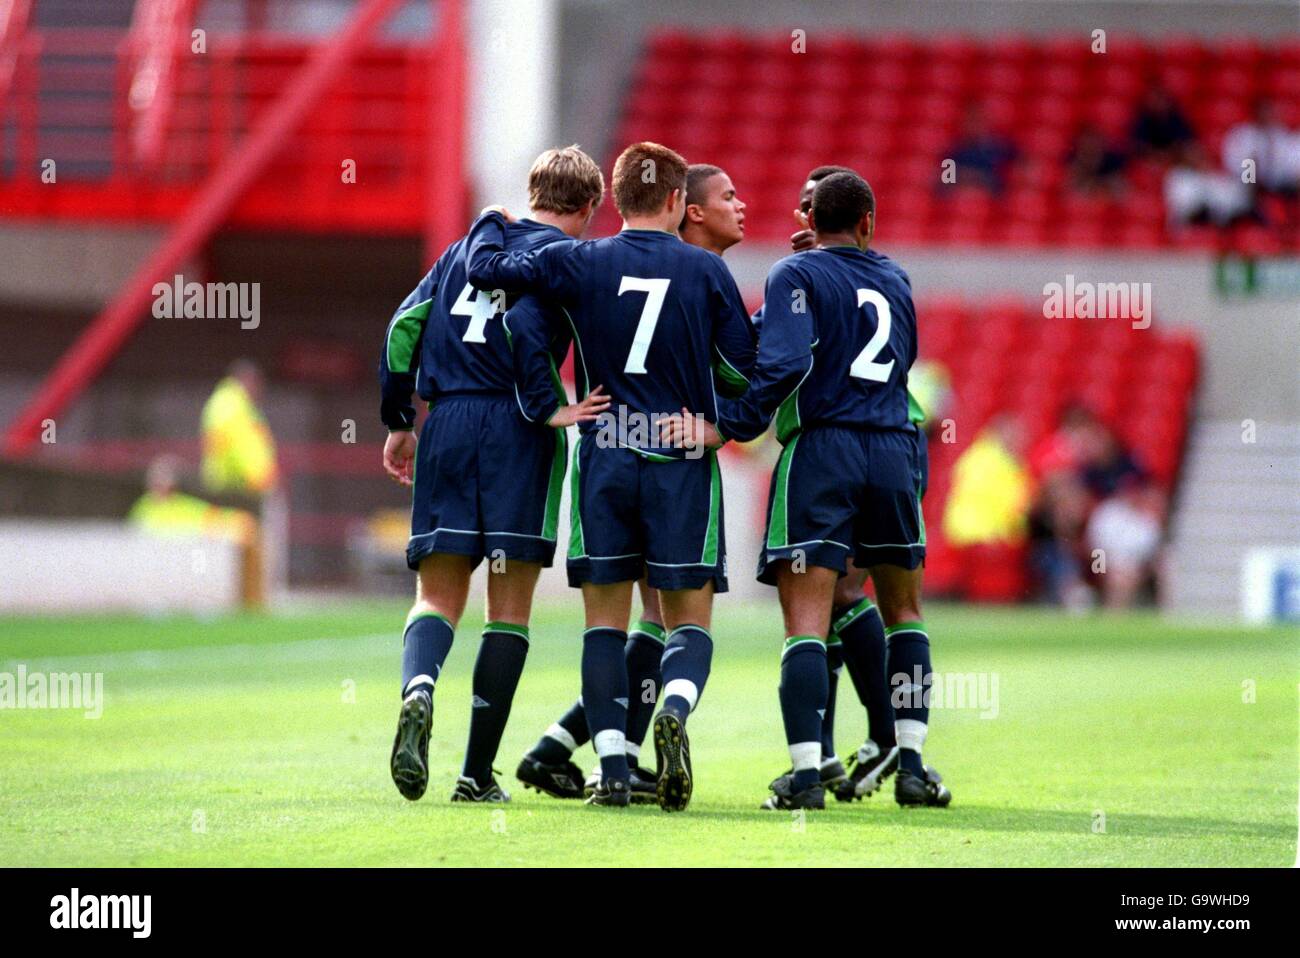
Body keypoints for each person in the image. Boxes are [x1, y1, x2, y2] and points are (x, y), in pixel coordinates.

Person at [467, 142, 757, 809]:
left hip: (604, 452)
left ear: (616, 200)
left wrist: (551, 407)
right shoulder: (707, 273)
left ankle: (613, 772)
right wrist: (723, 423)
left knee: (605, 623)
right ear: (679, 202)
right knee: (687, 624)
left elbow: (516, 318)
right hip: (678, 460)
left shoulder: (575, 260)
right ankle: (675, 711)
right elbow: (748, 373)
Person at [661, 170, 951, 810]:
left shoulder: (795, 276)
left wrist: (730, 425)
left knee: (806, 625)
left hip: (825, 449)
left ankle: (804, 777)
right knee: (904, 610)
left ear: (805, 218)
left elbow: (785, 360)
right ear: (869, 223)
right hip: (896, 447)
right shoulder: (898, 279)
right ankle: (911, 765)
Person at [380, 145, 611, 804]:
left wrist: (400, 420)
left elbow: (402, 330)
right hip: (518, 431)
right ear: (589, 207)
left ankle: (419, 690)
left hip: (448, 425)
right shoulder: (568, 264)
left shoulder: (463, 251)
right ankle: (476, 775)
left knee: (435, 597)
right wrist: (555, 408)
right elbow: (524, 327)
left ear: (531, 190)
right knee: (507, 611)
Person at [942, 415, 1031, 548]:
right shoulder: (989, 461)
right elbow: (1011, 504)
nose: (1018, 440)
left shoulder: (977, 455)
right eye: (1013, 434)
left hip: (966, 532)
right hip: (980, 534)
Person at [200, 360, 278, 497]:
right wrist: (261, 474)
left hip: (223, 483)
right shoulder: (235, 406)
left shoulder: (222, 402)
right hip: (238, 487)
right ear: (249, 380)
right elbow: (244, 443)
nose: (260, 390)